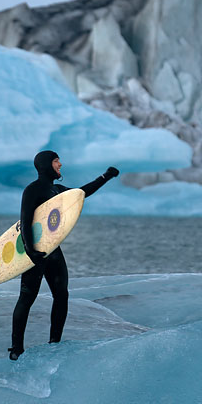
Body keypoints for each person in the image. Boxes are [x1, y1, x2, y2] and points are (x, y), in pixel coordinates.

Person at [9, 150, 119, 360]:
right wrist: (31, 251)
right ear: (45, 165)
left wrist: (105, 177)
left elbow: (81, 193)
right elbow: (25, 220)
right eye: (56, 161)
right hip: (35, 252)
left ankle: (54, 342)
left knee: (61, 295)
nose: (60, 164)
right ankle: (16, 348)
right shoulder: (33, 189)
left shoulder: (56, 189)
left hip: (53, 250)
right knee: (26, 298)